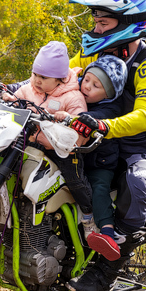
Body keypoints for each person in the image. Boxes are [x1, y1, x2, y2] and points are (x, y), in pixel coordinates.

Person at [62, 0, 146, 291]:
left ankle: (106, 270)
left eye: (103, 23)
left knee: (137, 182)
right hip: (99, 144)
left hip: (142, 153)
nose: (95, 29)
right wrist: (13, 89)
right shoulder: (95, 53)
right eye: (95, 22)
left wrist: (101, 125)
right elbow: (62, 78)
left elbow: (144, 117)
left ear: (126, 24)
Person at [0, 41, 94, 222]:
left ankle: (89, 216)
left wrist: (68, 121)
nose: (37, 80)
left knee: (75, 180)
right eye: (35, 74)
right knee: (7, 167)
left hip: (62, 150)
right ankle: (10, 221)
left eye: (44, 77)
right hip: (32, 144)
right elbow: (17, 101)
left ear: (60, 78)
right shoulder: (29, 89)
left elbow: (80, 131)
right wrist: (8, 99)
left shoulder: (73, 97)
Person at [54, 55, 129, 261]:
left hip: (99, 163)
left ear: (109, 94)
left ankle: (107, 233)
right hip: (73, 157)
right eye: (87, 79)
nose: (87, 86)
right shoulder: (74, 87)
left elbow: (98, 117)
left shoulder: (111, 107)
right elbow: (45, 82)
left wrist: (81, 119)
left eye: (96, 85)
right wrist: (9, 89)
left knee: (98, 189)